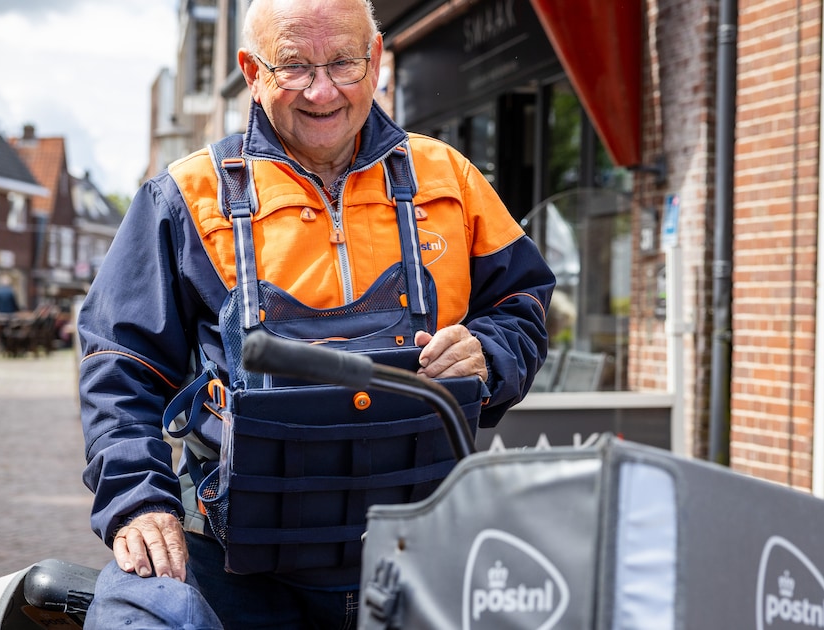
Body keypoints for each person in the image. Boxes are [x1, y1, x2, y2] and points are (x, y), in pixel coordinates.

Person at [76, 0, 555, 626]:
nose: (323, 90)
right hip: (242, 579)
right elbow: (120, 365)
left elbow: (521, 304)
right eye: (294, 66)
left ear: (376, 59)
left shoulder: (451, 179)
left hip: (426, 560)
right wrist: (138, 500)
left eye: (343, 62)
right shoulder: (185, 198)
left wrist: (490, 353)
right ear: (251, 71)